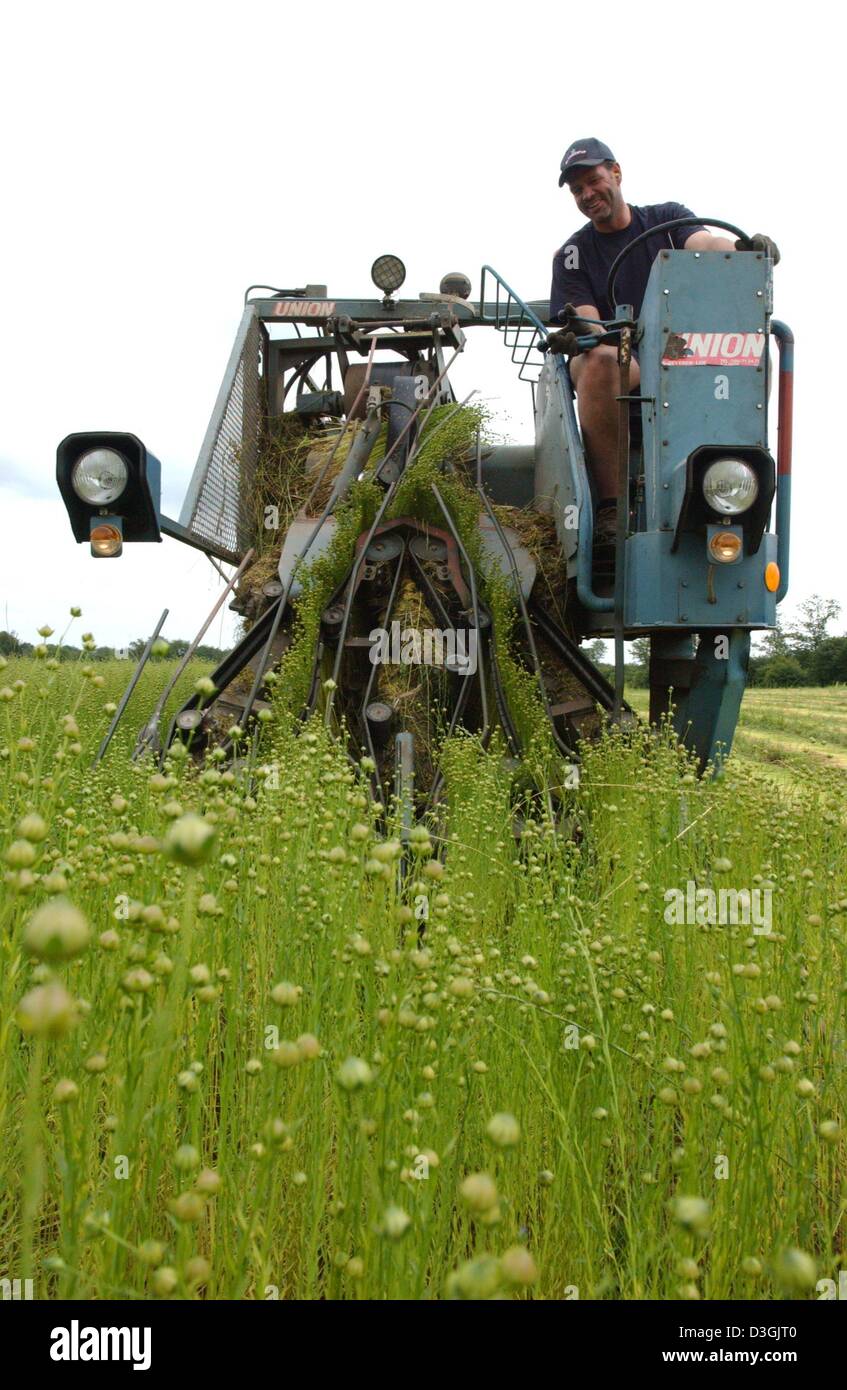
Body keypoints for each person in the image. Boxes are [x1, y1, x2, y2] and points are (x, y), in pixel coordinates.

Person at [548, 138, 779, 552]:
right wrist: (588, 335)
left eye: (593, 181)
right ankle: (610, 507)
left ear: (616, 173)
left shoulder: (667, 221)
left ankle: (742, 478)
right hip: (624, 359)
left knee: (755, 349)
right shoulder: (574, 253)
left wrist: (743, 253)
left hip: (683, 354)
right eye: (577, 190)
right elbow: (589, 322)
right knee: (600, 359)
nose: (587, 195)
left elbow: (706, 247)